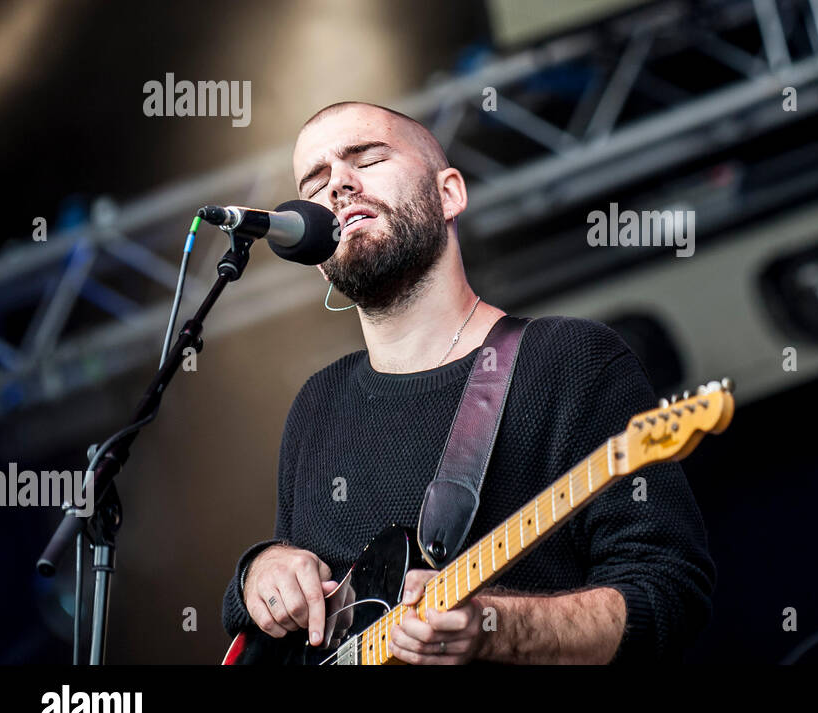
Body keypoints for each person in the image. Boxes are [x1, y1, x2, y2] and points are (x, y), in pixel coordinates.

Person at [219, 101, 715, 664]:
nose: (339, 185)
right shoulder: (317, 404)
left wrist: (495, 627)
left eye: (368, 158)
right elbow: (297, 614)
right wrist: (259, 572)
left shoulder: (570, 360)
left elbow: (670, 593)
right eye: (316, 180)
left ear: (450, 193)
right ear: (312, 250)